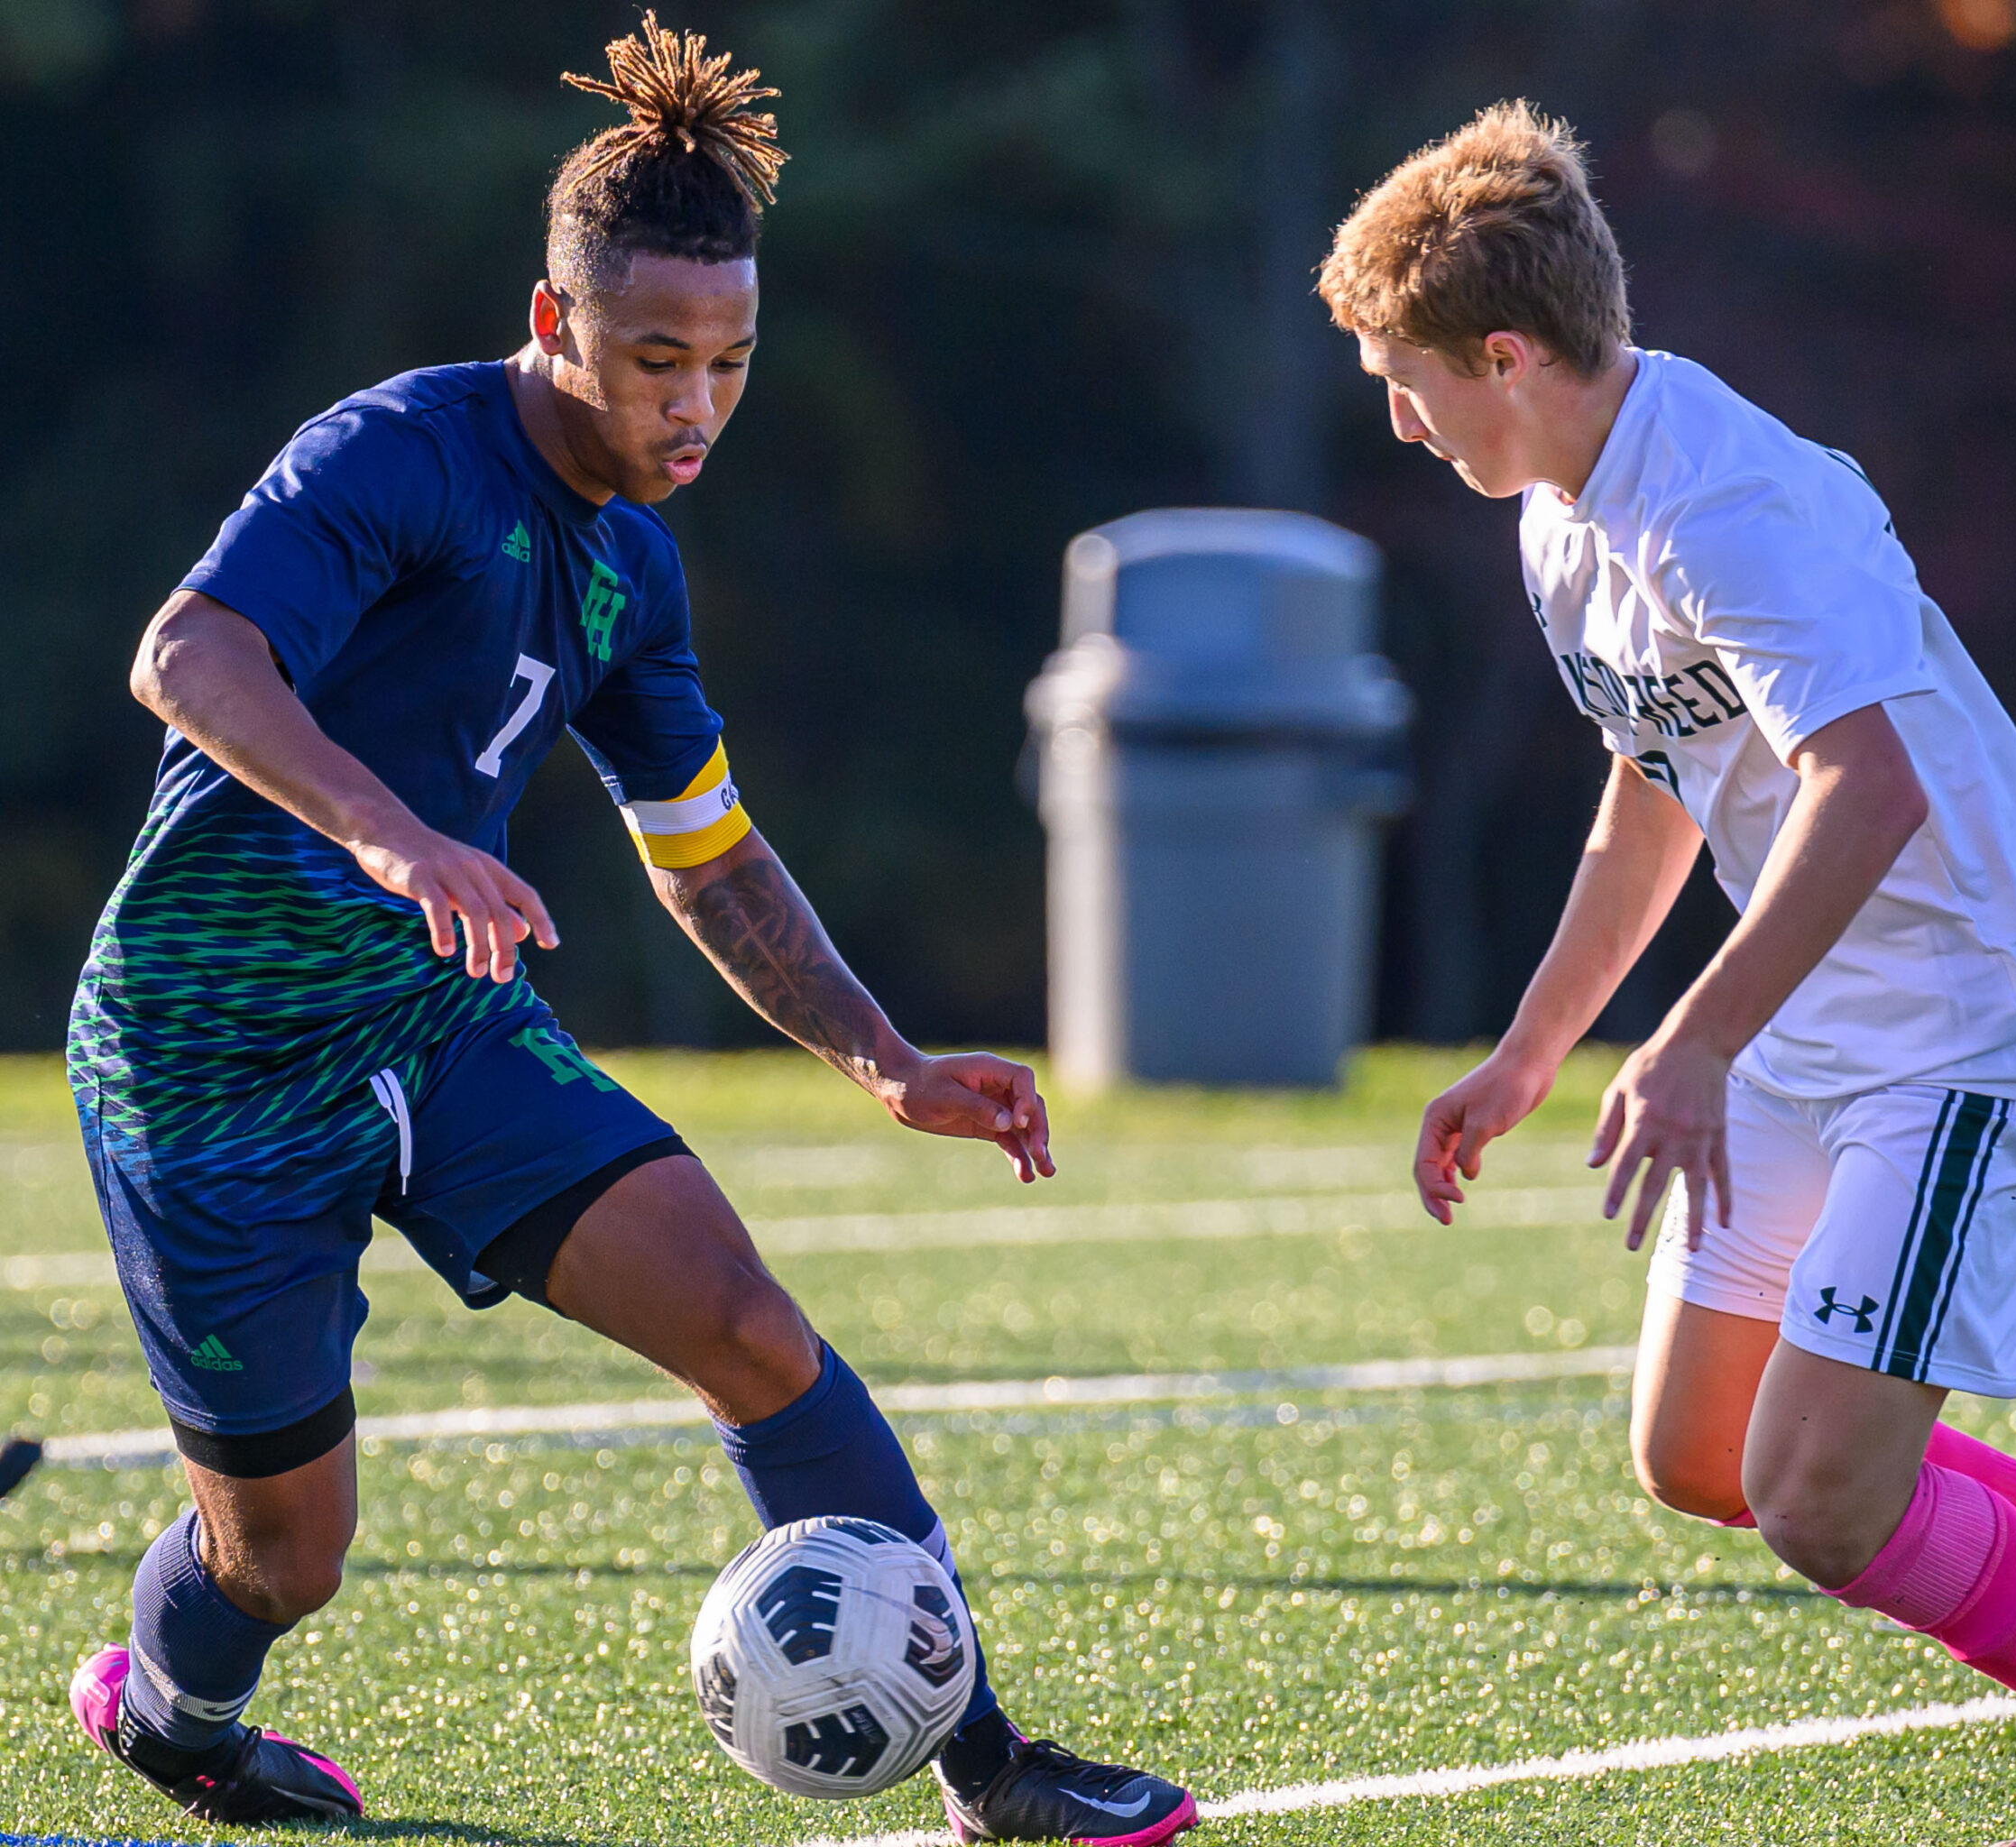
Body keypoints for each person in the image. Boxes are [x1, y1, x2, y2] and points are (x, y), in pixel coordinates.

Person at [63, 19, 1196, 1843]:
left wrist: (883, 1059)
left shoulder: (629, 569)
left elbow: (712, 858)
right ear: (553, 317)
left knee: (752, 1332)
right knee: (283, 1557)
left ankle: (989, 1769)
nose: (695, 402)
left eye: (729, 361)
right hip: (211, 1055)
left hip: (433, 1025)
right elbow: (186, 655)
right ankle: (175, 1707)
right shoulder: (400, 455)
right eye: (656, 355)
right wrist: (399, 832)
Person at [1319, 102, 2016, 1847]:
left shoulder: (1727, 505)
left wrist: (1695, 1040)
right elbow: (1656, 782)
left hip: (1964, 1035)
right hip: (1806, 1023)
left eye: (1404, 377)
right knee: (1701, 1458)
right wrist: (1530, 1053)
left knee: (1820, 1501)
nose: (1401, 417)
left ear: (1507, 353)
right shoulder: (1559, 508)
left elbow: (1866, 786)